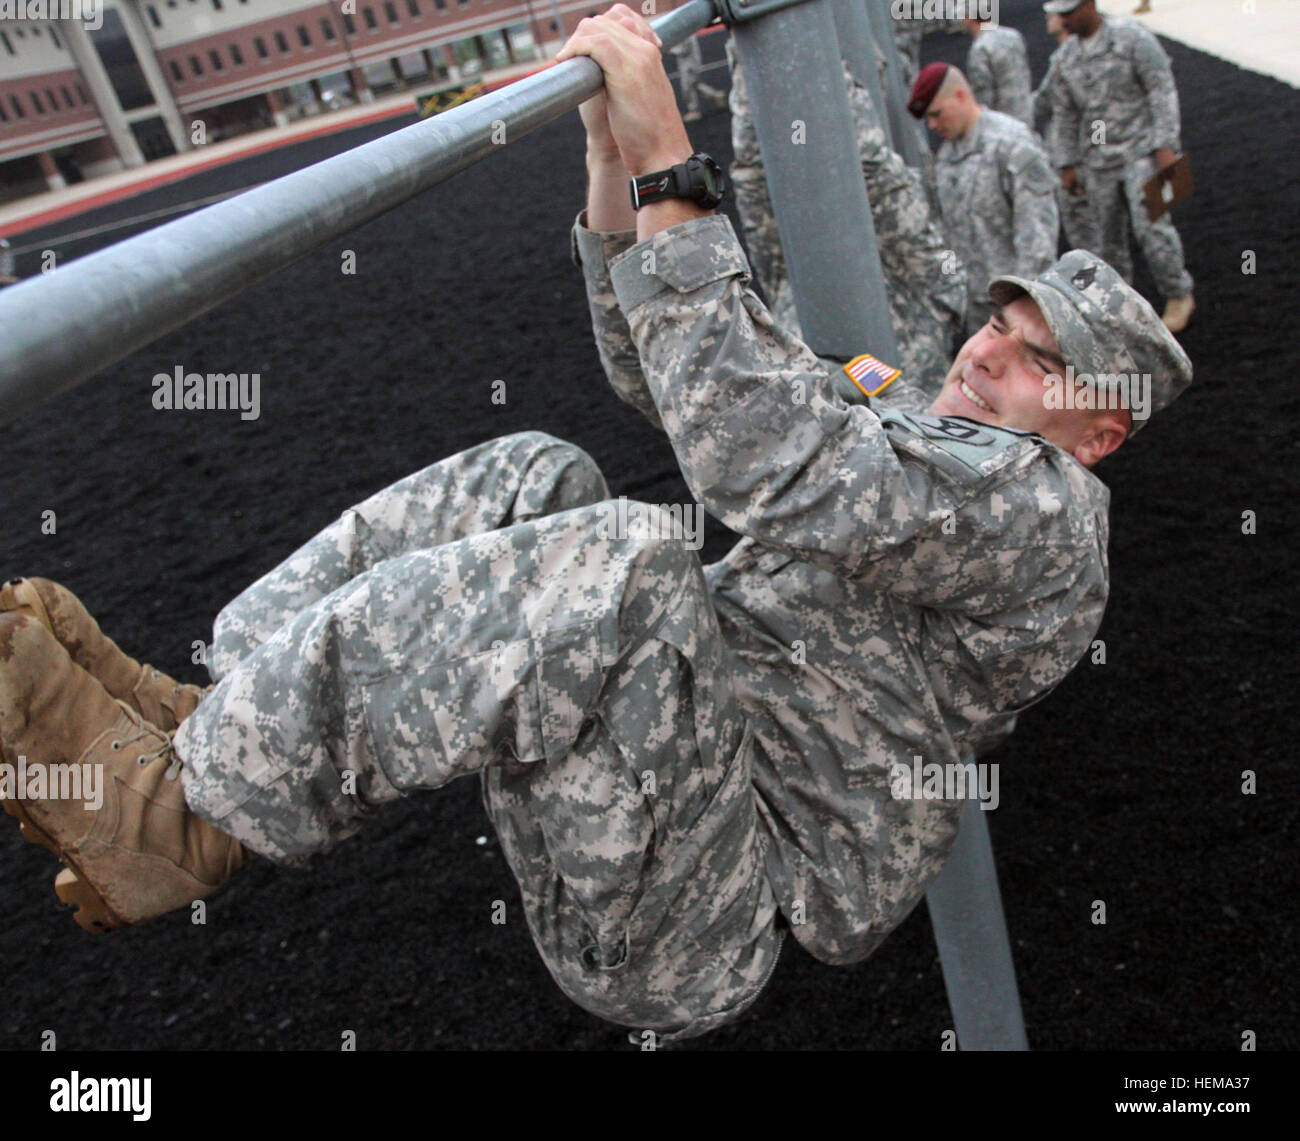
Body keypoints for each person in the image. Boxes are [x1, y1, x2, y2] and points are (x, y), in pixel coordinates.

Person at [0, 5, 1193, 1045]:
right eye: (1003, 322)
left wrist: (674, 158)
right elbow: (666, 382)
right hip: (671, 773)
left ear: (1103, 435)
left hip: (710, 902)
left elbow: (754, 449)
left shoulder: (1044, 514)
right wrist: (614, 159)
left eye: (1043, 364)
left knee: (634, 562)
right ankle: (219, 717)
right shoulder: (936, 424)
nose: (991, 352)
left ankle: (185, 815)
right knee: (540, 472)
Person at [727, 41, 966, 395]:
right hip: (889, 351)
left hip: (881, 377)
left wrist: (804, 39)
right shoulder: (921, 292)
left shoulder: (913, 293)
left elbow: (874, 175)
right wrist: (747, 43)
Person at [1043, 0, 1194, 332]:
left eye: (1069, 12)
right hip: (1097, 162)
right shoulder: (1065, 59)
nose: (1063, 20)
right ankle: (1123, 310)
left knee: (1152, 227)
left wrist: (1166, 144)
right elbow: (1065, 114)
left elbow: (1161, 90)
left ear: (1090, 5)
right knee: (1107, 240)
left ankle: (1178, 293)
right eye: (1061, 14)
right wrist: (1067, 164)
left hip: (1141, 152)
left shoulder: (1132, 39)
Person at [910, 62, 1059, 339]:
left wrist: (1029, 304)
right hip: (977, 305)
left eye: (936, 114)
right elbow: (947, 232)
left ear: (960, 95)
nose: (932, 125)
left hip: (1019, 303)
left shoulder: (1011, 143)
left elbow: (1037, 233)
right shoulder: (946, 157)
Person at [1033, 3, 1101, 253]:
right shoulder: (1063, 59)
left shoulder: (1074, 59)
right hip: (1081, 156)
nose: (1051, 17)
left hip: (1094, 156)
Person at [963, 11, 1034, 127]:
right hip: (1026, 119)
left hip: (1003, 126)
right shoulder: (1013, 36)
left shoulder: (980, 49)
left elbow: (984, 98)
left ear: (969, 17)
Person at [670, 32, 725, 123]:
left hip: (689, 65)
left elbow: (683, 49)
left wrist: (670, 50)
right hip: (689, 63)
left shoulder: (685, 34)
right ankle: (715, 95)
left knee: (687, 88)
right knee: (694, 85)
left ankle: (694, 110)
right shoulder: (687, 32)